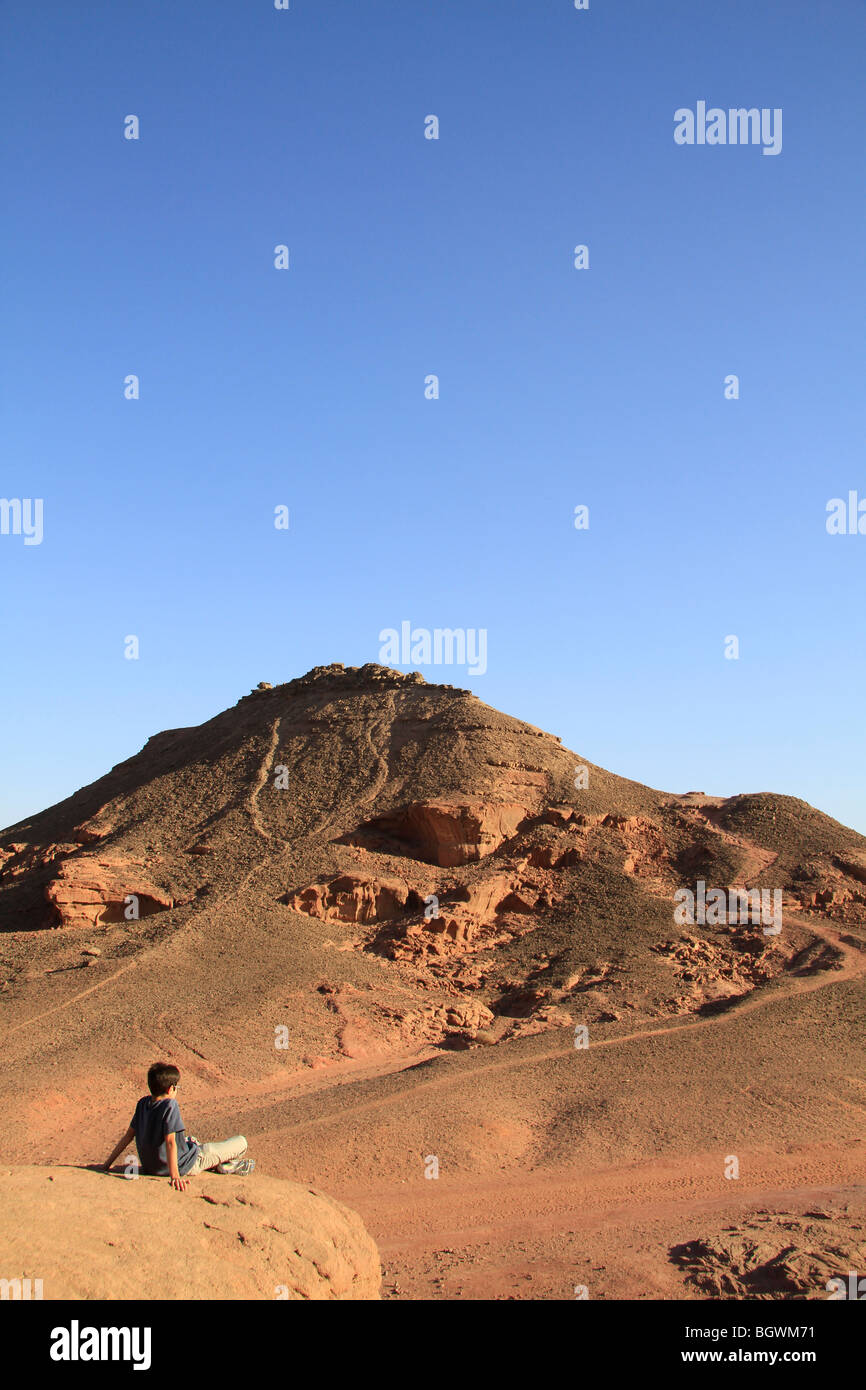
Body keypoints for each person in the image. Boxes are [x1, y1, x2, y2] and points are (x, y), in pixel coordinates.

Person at [102, 1061, 254, 1190]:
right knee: (242, 1142)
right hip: (187, 1164)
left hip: (151, 1167)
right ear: (170, 1089)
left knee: (191, 1140)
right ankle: (225, 1165)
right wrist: (175, 1176)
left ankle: (220, 1162)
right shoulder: (170, 1105)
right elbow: (170, 1142)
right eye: (177, 1087)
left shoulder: (143, 1103)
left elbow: (128, 1135)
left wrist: (106, 1165)